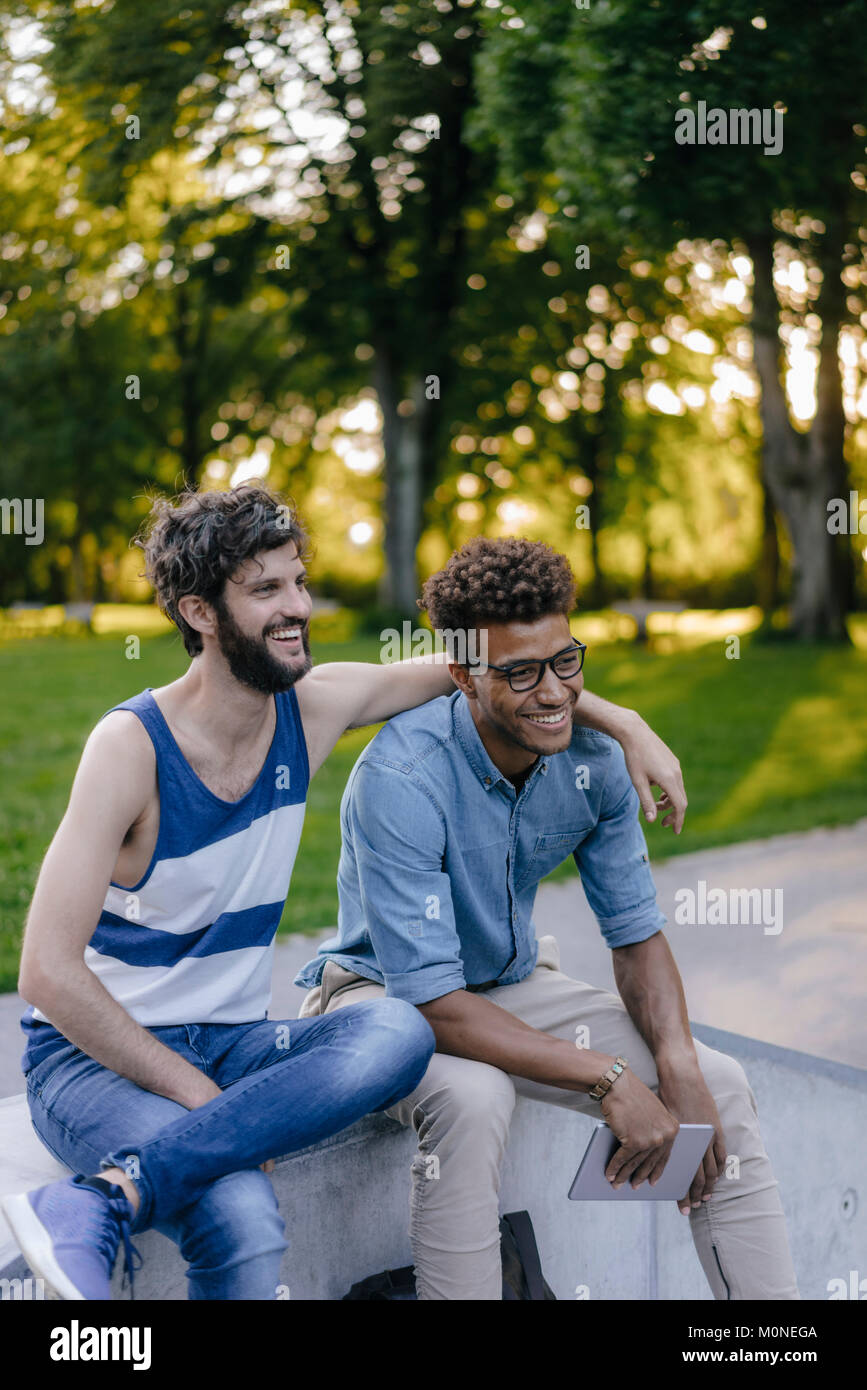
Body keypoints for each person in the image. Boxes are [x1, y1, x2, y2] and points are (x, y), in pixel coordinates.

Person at [3, 486, 684, 1301]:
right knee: (243, 1220)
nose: (297, 608)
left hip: (233, 1039)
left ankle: (108, 1195)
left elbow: (486, 669)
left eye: (297, 582)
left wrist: (626, 721)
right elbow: (47, 973)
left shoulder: (310, 709)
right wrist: (205, 1101)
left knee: (395, 1029)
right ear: (200, 612)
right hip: (93, 1061)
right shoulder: (131, 747)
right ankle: (108, 1197)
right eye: (265, 590)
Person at [297, 536, 800, 1301]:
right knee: (472, 1098)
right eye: (521, 672)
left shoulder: (594, 757)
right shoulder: (400, 777)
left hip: (505, 982)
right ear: (462, 676)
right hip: (382, 996)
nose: (553, 691)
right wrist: (609, 1079)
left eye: (566, 661)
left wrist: (677, 1065)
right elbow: (432, 1003)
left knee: (720, 1083)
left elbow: (633, 935)